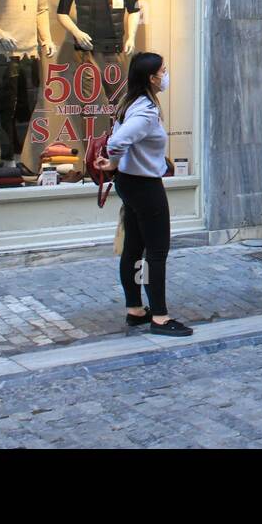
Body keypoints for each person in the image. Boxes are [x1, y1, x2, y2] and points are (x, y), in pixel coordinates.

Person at [96, 52, 193, 334]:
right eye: (163, 71)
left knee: (134, 248)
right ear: (151, 78)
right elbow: (118, 141)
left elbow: (119, 142)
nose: (166, 75)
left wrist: (115, 163)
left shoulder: (133, 103)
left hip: (130, 182)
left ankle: (135, 308)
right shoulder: (146, 112)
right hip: (145, 187)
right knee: (156, 251)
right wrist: (113, 159)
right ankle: (160, 317)